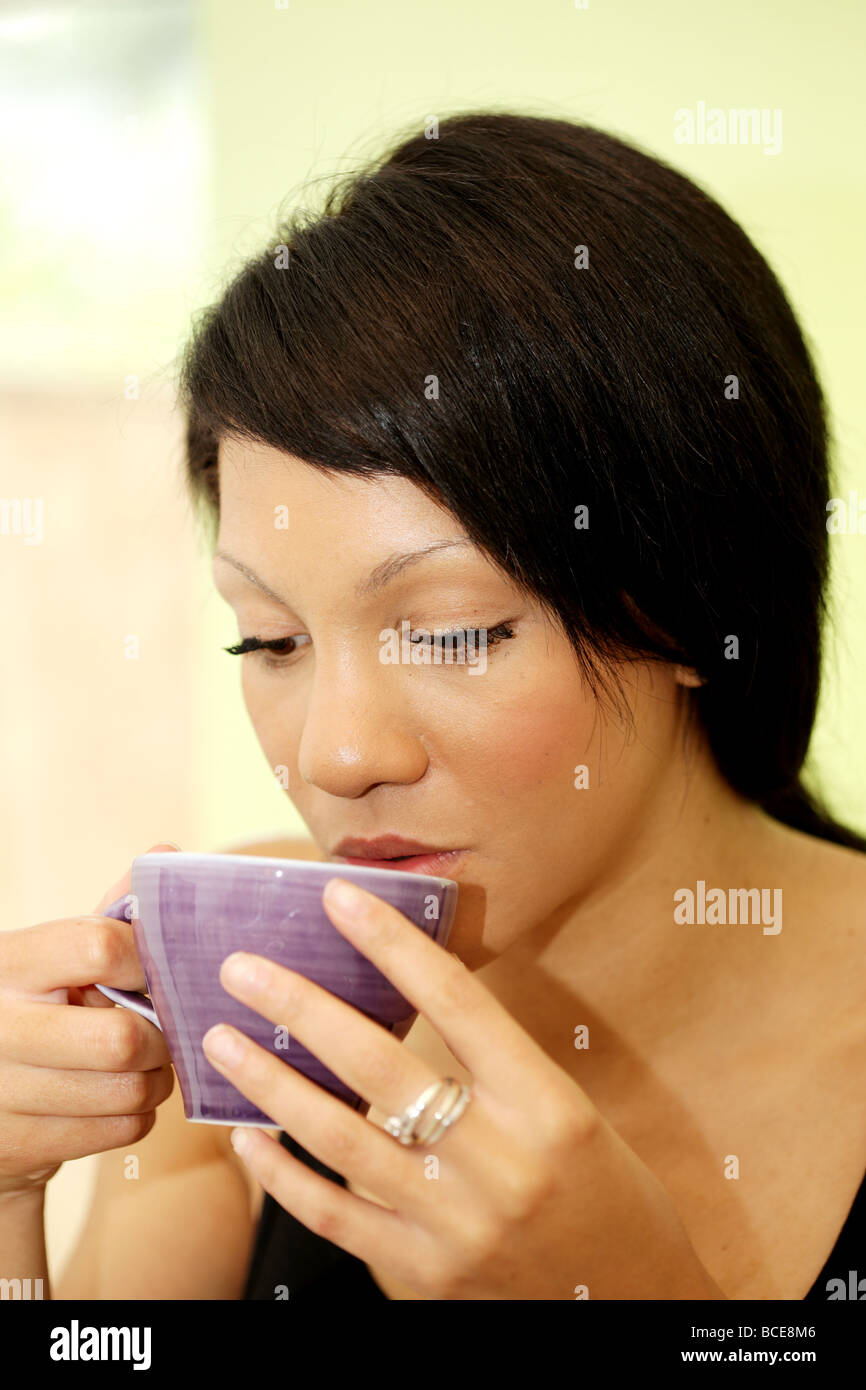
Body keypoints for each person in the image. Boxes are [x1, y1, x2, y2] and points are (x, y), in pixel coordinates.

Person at [2, 111, 864, 1301]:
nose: (333, 751)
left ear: (692, 602)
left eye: (452, 629)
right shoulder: (249, 996)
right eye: (271, 637)